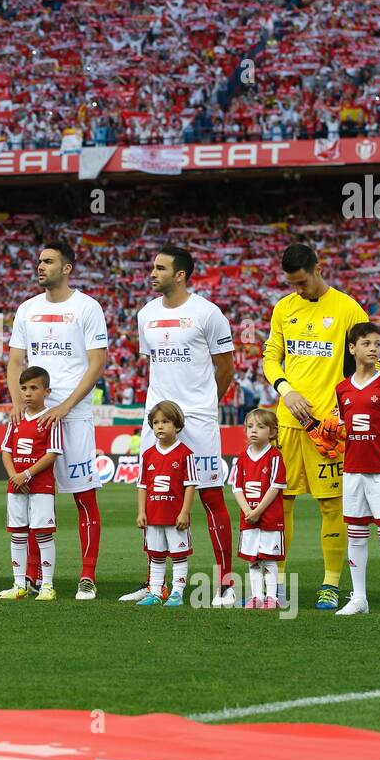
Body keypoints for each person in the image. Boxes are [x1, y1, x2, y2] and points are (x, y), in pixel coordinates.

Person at [261, 244, 368, 609]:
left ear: (318, 269)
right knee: (281, 504)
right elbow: (271, 358)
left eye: (302, 282)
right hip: (288, 424)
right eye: (292, 284)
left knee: (331, 506)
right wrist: (286, 391)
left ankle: (331, 584)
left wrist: (344, 411)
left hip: (328, 428)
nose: (298, 290)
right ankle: (275, 584)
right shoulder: (283, 308)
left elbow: (368, 362)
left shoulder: (348, 309)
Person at [127, 246, 236, 605]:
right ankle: (154, 584)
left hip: (199, 418)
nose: (152, 273)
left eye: (160, 268)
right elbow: (153, 365)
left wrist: (204, 405)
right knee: (157, 495)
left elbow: (225, 368)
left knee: (210, 496)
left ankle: (226, 583)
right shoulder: (146, 314)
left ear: (180, 275)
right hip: (156, 417)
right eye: (152, 267)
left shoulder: (207, 313)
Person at [6, 242, 108, 600]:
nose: (40, 266)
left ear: (67, 268)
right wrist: (19, 403)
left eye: (48, 261)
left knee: (83, 497)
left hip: (72, 414)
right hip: (35, 420)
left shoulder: (87, 307)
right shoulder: (27, 309)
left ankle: (87, 575)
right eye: (38, 261)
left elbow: (97, 363)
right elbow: (15, 361)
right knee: (31, 497)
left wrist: (64, 405)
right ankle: (31, 578)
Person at [334, 323, 380, 617]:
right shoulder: (342, 389)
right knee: (355, 534)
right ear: (352, 348)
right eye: (366, 343)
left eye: (377, 343)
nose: (374, 348)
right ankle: (359, 598)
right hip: (352, 470)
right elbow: (341, 430)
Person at [0, 366, 63, 602]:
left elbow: (52, 453)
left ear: (46, 391)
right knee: (17, 535)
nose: (27, 393)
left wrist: (26, 474)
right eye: (23, 388)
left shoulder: (51, 420)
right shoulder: (14, 419)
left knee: (43, 535)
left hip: (41, 486)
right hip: (16, 486)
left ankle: (47, 585)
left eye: (34, 388)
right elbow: (5, 451)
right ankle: (19, 584)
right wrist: (15, 475)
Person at [135, 400, 197, 608]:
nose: (160, 426)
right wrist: (141, 512)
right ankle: (155, 592)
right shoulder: (147, 455)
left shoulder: (185, 454)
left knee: (178, 556)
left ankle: (177, 593)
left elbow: (190, 486)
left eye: (165, 421)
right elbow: (143, 486)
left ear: (177, 425)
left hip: (175, 517)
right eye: (155, 422)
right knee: (156, 556)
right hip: (153, 517)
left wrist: (185, 512)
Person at [233, 408, 287, 609]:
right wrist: (248, 510)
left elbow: (275, 486)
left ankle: (271, 597)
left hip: (270, 519)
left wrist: (257, 511)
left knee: (269, 558)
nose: (253, 430)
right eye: (250, 426)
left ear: (272, 432)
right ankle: (256, 596)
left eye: (260, 426)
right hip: (248, 519)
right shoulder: (241, 458)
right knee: (253, 560)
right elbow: (237, 488)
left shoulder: (274, 457)